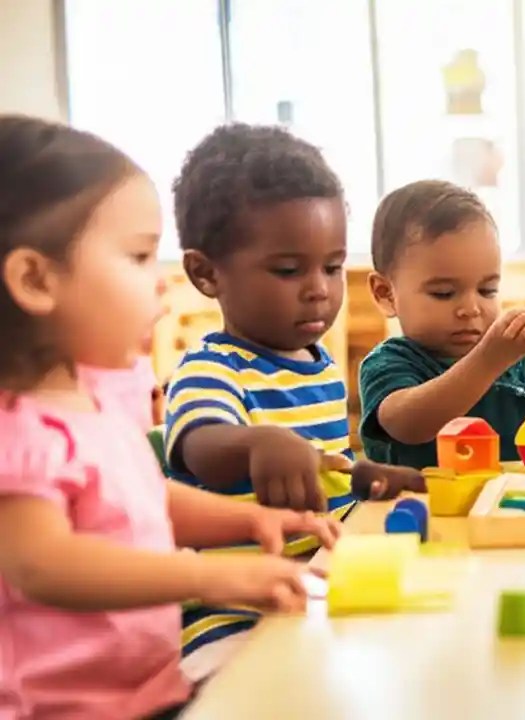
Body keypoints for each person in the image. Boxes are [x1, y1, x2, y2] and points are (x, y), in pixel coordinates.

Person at [0, 115, 332, 719]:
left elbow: (142, 497)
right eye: (138, 257)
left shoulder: (99, 394)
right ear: (35, 280)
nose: (161, 285)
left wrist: (250, 519)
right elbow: (40, 563)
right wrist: (207, 578)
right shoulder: (18, 428)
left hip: (150, 690)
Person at [165, 123, 422, 672]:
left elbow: (323, 471)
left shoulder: (319, 365)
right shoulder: (211, 369)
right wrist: (258, 443)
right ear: (206, 274)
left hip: (318, 591)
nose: (319, 289)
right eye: (288, 270)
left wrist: (365, 477)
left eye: (332, 266)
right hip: (234, 616)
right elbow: (199, 447)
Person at [358, 180, 525, 468]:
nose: (471, 309)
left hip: (512, 497)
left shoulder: (515, 362)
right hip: (422, 498)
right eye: (443, 293)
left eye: (487, 290)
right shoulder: (391, 363)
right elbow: (409, 424)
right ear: (386, 293)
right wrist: (489, 359)